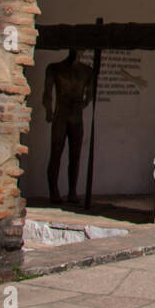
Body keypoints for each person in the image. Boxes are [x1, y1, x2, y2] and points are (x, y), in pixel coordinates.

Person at [42, 48, 94, 204]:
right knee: (56, 153)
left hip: (76, 116)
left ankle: (72, 192)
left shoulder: (87, 71)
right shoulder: (55, 68)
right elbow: (47, 93)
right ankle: (54, 192)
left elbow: (89, 95)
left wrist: (83, 103)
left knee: (75, 156)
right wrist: (49, 111)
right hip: (61, 115)